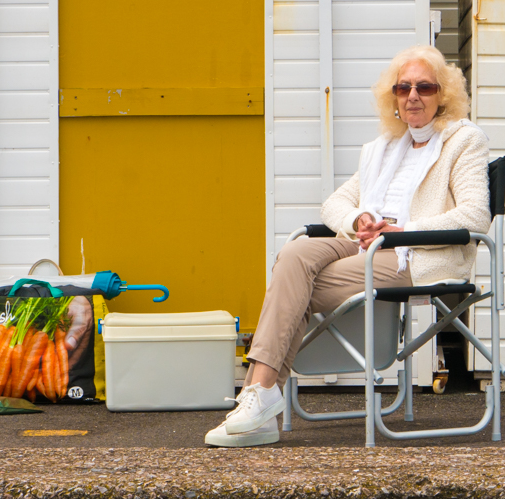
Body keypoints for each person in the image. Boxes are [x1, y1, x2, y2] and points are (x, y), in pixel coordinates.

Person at [205, 44, 489, 447]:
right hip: (365, 246)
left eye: (424, 87)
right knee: (295, 254)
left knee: (292, 282)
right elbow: (333, 204)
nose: (413, 96)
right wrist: (360, 220)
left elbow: (475, 215)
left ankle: (258, 392)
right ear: (392, 96)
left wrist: (401, 231)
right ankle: (263, 400)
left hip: (418, 254)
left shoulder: (464, 141)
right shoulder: (382, 149)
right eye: (403, 87)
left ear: (442, 94)